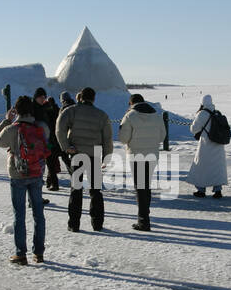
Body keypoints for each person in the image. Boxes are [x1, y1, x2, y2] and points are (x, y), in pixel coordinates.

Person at [0, 95, 49, 264]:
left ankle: (20, 253)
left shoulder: (13, 128)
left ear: (16, 110)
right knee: (38, 214)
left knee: (20, 215)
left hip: (18, 174)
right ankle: (38, 253)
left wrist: (6, 121)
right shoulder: (41, 127)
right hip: (36, 173)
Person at [55, 86, 114, 232]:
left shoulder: (71, 111)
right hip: (94, 154)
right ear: (94, 98)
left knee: (76, 189)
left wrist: (66, 146)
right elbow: (108, 139)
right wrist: (106, 158)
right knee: (96, 191)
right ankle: (97, 223)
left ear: (80, 97)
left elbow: (59, 129)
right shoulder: (102, 115)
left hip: (77, 153)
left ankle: (74, 224)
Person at [118, 93, 164, 231]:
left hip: (136, 155)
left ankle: (143, 221)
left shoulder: (129, 116)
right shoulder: (157, 115)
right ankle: (145, 215)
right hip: (152, 155)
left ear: (131, 103)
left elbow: (123, 139)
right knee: (146, 186)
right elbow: (162, 136)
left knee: (140, 188)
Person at [188, 94, 228, 198]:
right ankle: (218, 190)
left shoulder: (202, 113)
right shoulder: (217, 113)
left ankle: (201, 190)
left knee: (202, 167)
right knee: (217, 168)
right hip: (218, 144)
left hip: (206, 144)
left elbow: (194, 129)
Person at [33, 88, 62, 190]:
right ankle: (38, 189)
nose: (43, 99)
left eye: (44, 97)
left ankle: (54, 183)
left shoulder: (46, 108)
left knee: (50, 161)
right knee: (37, 164)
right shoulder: (33, 109)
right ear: (36, 97)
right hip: (36, 143)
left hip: (48, 141)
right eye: (41, 97)